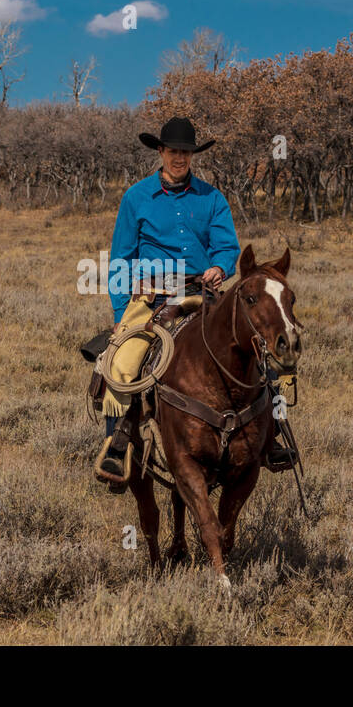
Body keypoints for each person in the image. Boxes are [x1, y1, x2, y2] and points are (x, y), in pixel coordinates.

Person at [95, 117, 240, 491]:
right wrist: (120, 313)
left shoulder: (212, 198)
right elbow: (120, 260)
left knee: (256, 348)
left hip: (202, 292)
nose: (180, 158)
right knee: (122, 363)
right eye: (174, 151)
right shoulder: (136, 197)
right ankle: (118, 448)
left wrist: (218, 267)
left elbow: (227, 248)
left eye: (186, 153)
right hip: (152, 297)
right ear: (160, 152)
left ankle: (272, 439)